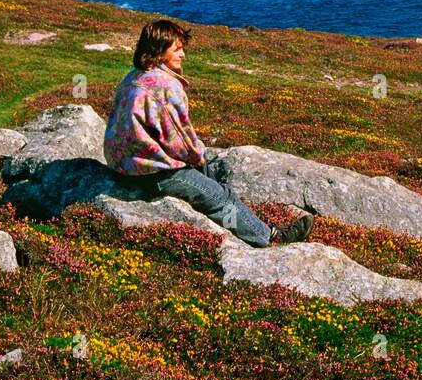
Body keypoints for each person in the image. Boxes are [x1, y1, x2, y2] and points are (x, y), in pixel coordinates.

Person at [104, 18, 313, 247]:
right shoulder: (165, 86)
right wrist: (199, 158)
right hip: (151, 175)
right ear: (159, 51)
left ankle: (248, 222)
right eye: (177, 49)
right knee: (221, 196)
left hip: (121, 167)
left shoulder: (133, 76)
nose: (183, 55)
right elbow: (180, 142)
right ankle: (269, 236)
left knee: (207, 176)